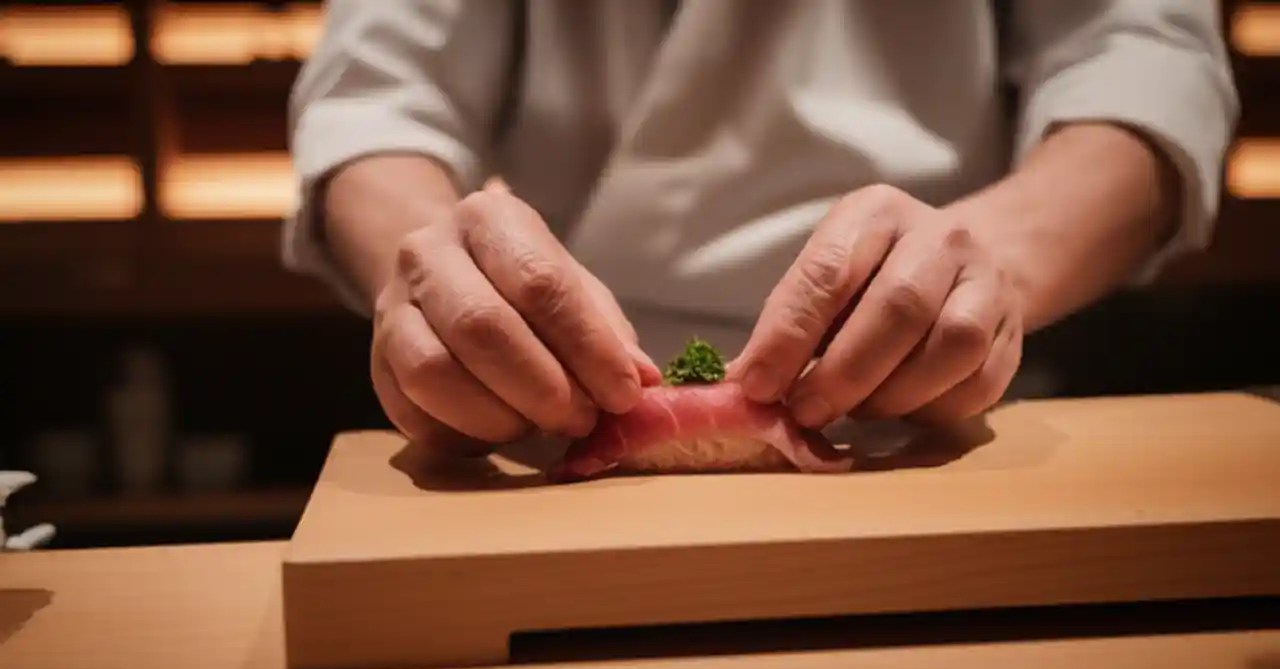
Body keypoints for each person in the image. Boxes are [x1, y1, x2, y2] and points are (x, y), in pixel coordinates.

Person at [282, 1, 1238, 454]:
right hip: (548, 405)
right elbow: (381, 96)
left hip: (947, 396)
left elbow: (1139, 52)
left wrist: (996, 263)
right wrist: (438, 274)